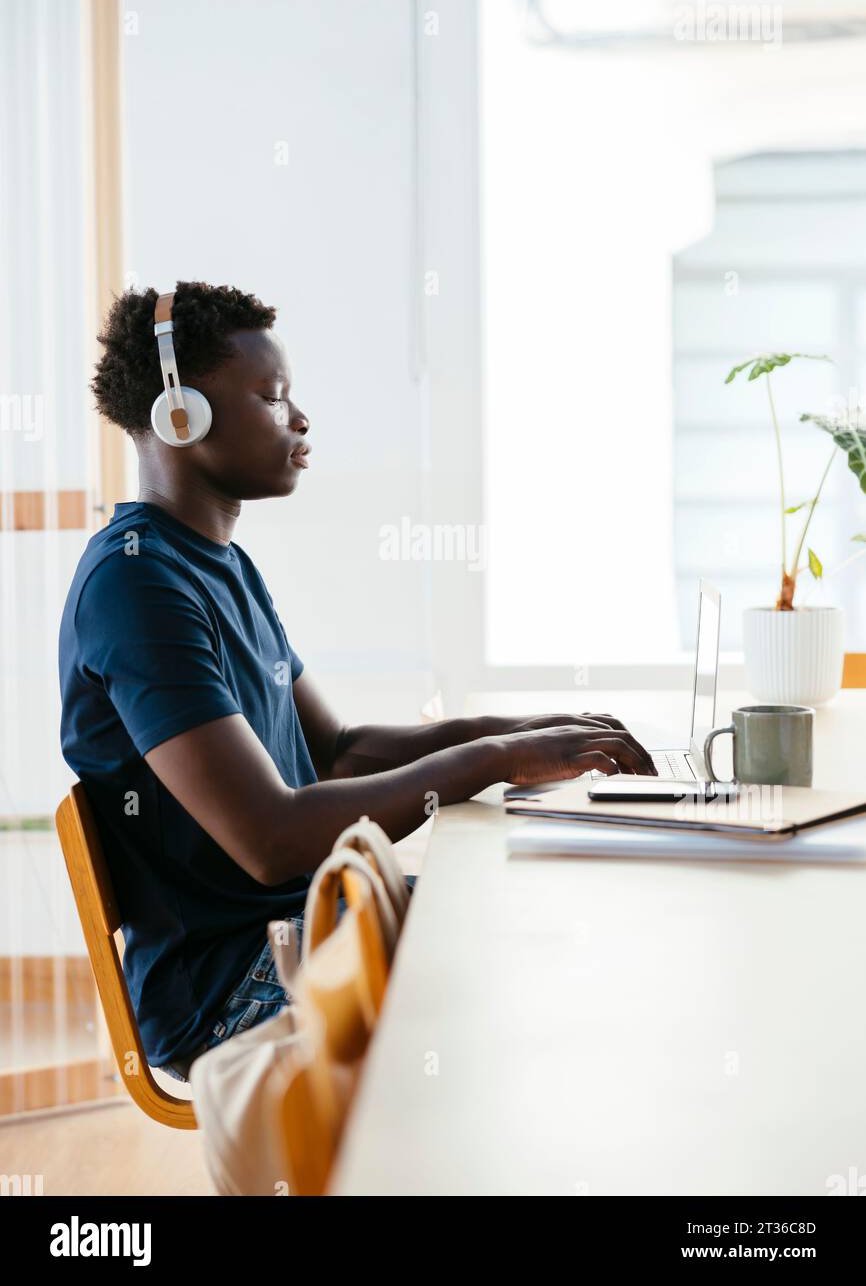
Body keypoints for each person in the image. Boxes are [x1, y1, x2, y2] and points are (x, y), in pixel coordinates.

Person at [58, 281, 655, 1081]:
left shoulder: (221, 565)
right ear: (181, 416)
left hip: (307, 918)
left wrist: (524, 732)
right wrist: (497, 760)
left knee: (536, 914)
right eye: (274, 397)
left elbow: (336, 751)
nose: (301, 419)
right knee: (526, 974)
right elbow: (270, 840)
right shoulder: (136, 585)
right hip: (229, 983)